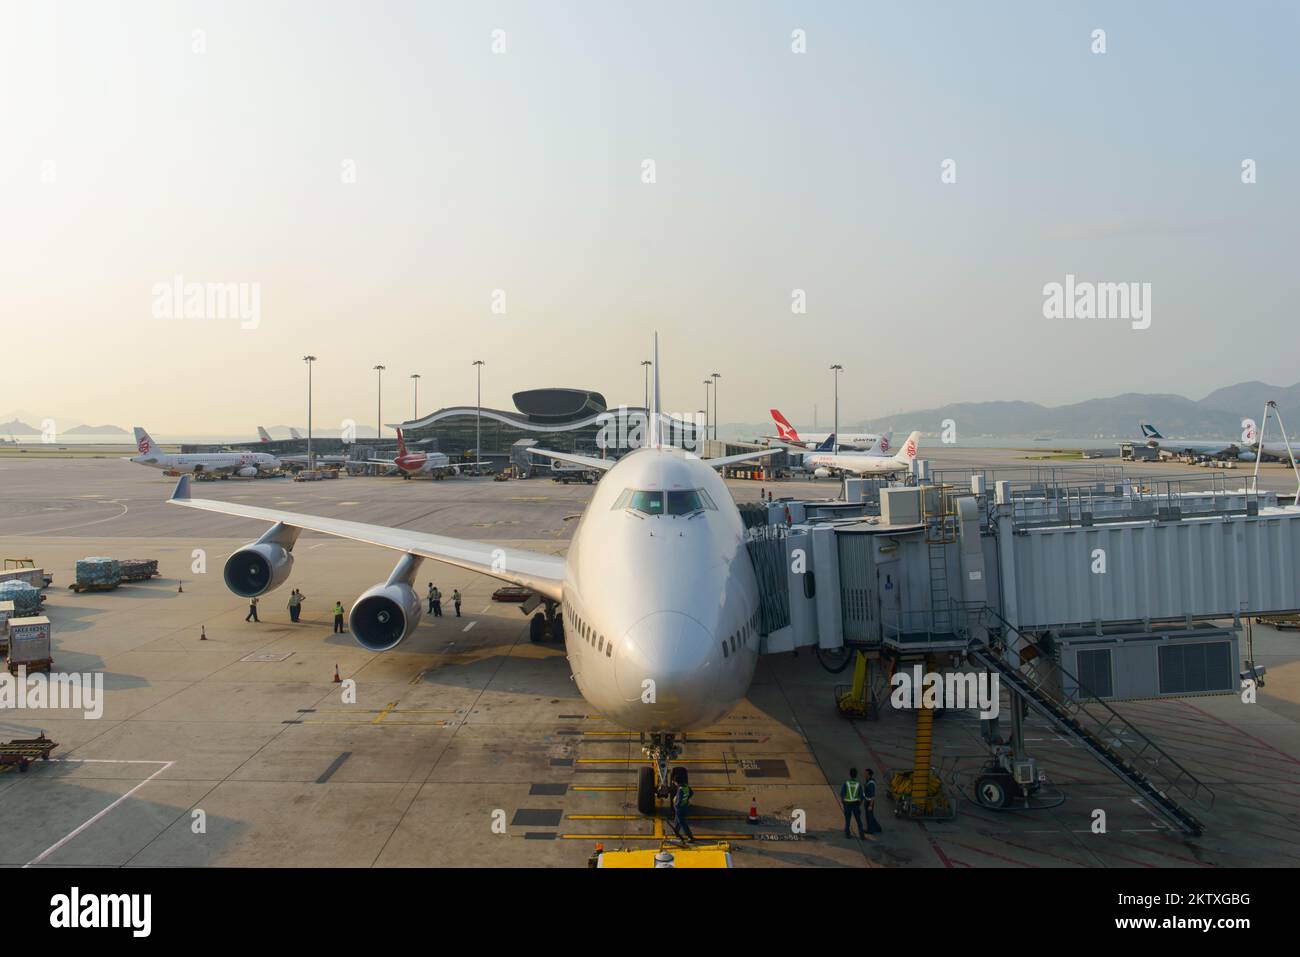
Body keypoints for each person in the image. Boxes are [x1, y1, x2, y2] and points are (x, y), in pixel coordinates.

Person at [841, 767, 865, 839]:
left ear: (850, 774)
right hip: (855, 804)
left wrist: (844, 803)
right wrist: (859, 803)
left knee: (847, 820)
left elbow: (842, 794)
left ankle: (847, 834)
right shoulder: (858, 784)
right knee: (858, 820)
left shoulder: (846, 783)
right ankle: (861, 835)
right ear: (856, 775)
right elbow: (861, 796)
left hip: (847, 804)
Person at [672, 773, 695, 843]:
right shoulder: (686, 787)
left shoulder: (680, 790)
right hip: (685, 806)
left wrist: (675, 806)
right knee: (677, 820)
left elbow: (678, 801)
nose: (674, 783)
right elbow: (691, 793)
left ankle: (690, 836)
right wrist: (687, 799)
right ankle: (676, 832)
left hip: (679, 808)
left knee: (682, 823)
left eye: (675, 782)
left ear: (677, 782)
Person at [864, 768, 883, 834]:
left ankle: (870, 830)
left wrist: (870, 805)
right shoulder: (868, 780)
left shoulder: (871, 783)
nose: (864, 774)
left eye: (866, 773)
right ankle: (878, 828)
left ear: (869, 774)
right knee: (870, 816)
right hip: (867, 800)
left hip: (869, 802)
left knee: (869, 816)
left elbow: (873, 796)